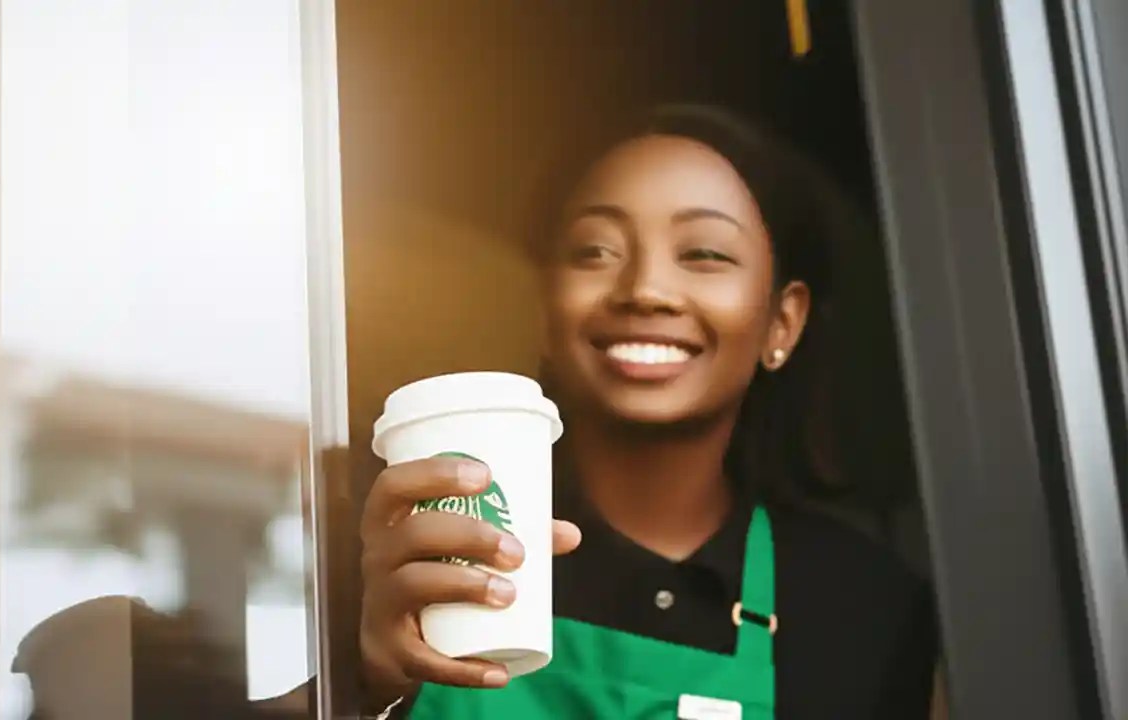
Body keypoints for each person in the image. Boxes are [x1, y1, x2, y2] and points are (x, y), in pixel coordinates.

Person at [357, 104, 938, 718]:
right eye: (595, 251)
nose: (645, 289)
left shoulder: (864, 605)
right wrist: (366, 684)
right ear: (546, 309)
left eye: (705, 254)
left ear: (781, 322)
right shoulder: (421, 545)